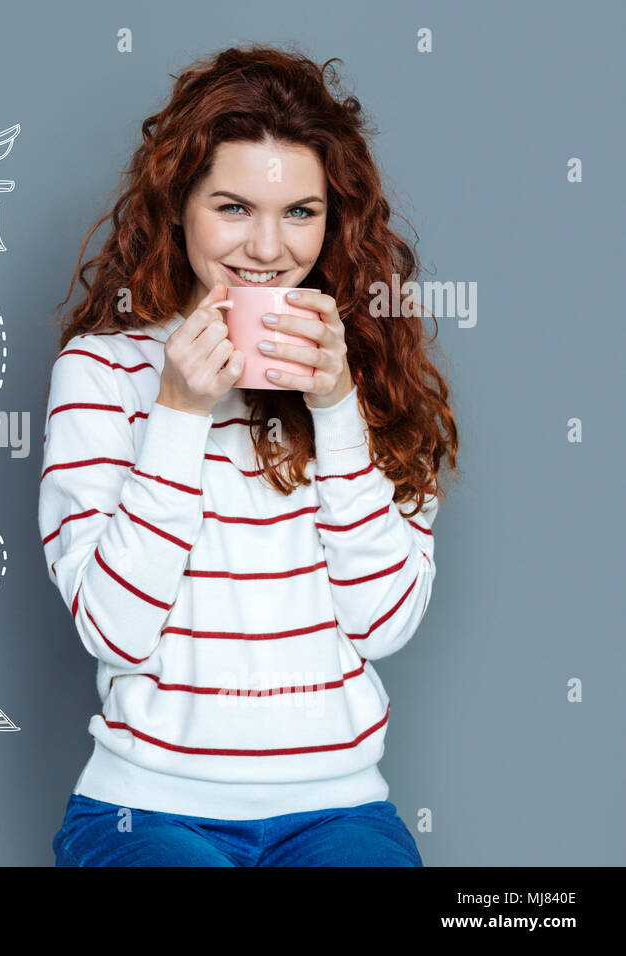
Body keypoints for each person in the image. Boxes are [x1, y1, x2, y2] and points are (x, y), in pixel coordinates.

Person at [40, 45, 461, 866]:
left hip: (338, 812)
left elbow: (384, 623)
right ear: (179, 207)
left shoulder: (369, 369)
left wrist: (337, 409)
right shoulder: (100, 372)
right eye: (233, 207)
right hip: (144, 810)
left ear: (334, 220)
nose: (268, 248)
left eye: (300, 212)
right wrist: (177, 414)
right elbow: (115, 633)